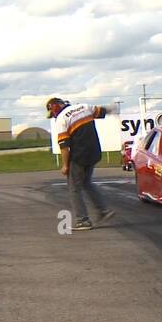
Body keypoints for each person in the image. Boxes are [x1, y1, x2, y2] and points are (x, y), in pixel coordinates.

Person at [46, 97, 116, 231]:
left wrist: (65, 165)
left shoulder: (61, 119)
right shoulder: (84, 107)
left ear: (54, 108)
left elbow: (64, 146)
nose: (53, 116)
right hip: (94, 152)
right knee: (86, 183)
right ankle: (103, 210)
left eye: (52, 113)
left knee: (74, 189)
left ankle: (82, 220)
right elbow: (103, 111)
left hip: (79, 156)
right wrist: (112, 108)